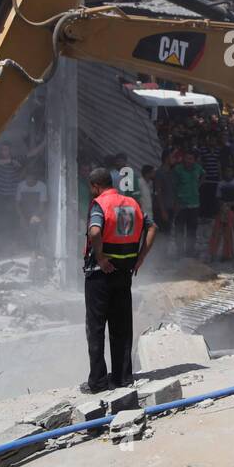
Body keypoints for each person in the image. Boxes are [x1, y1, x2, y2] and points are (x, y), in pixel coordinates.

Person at [82, 167, 156, 393]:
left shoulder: (100, 204)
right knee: (121, 327)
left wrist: (102, 258)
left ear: (96, 186)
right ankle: (123, 377)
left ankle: (98, 382)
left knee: (96, 328)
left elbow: (95, 232)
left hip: (99, 274)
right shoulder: (131, 203)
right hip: (124, 273)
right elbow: (152, 226)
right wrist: (141, 257)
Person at [173, 149, 204, 257]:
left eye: (190, 159)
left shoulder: (198, 168)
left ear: (194, 160)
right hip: (181, 204)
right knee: (179, 229)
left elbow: (204, 175)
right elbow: (174, 186)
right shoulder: (178, 169)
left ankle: (190, 251)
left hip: (195, 204)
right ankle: (179, 251)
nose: (188, 161)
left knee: (192, 229)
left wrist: (198, 186)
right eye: (186, 158)